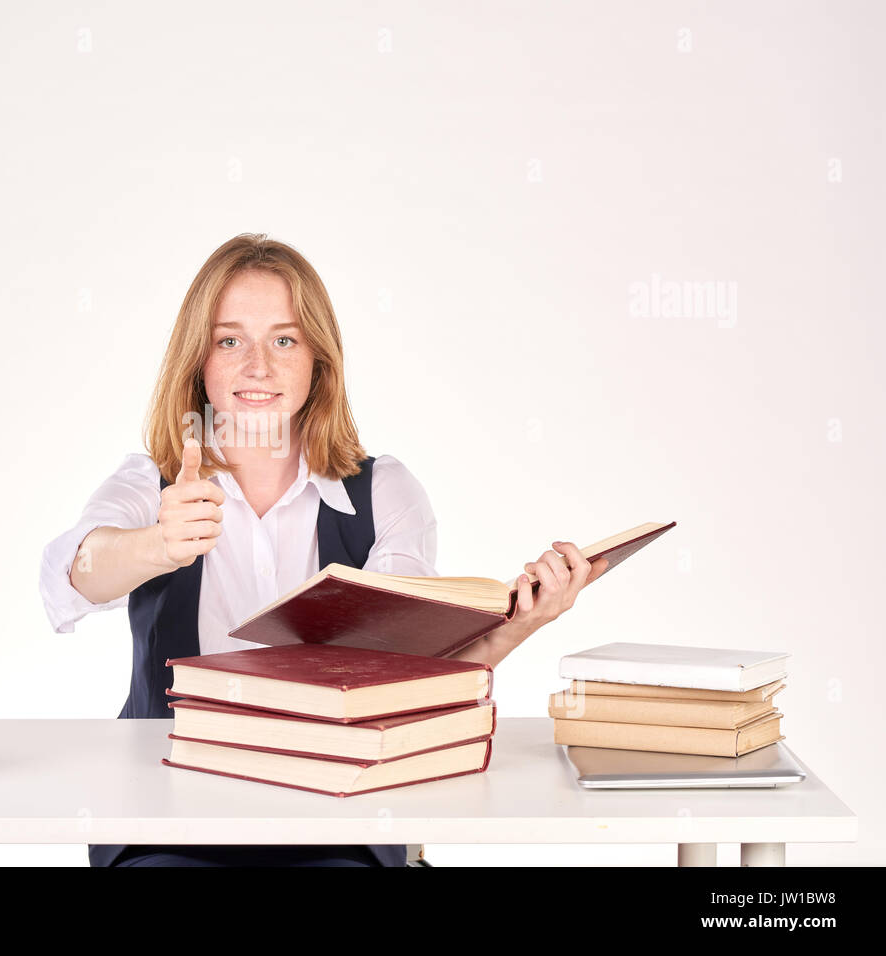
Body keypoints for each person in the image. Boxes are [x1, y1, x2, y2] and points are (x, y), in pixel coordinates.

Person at [38, 233, 608, 867]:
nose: (258, 366)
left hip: (343, 821)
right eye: (230, 341)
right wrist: (157, 544)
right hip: (173, 820)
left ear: (319, 360)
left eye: (284, 340)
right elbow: (70, 578)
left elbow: (411, 672)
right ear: (198, 360)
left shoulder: (385, 491)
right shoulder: (152, 482)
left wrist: (517, 625)